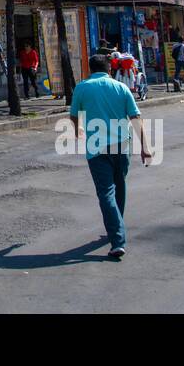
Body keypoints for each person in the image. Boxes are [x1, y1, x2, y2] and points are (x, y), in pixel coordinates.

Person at [70, 53, 151, 260]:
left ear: (90, 69)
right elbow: (135, 117)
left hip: (96, 149)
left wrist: (77, 129)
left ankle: (117, 239)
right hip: (121, 146)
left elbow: (73, 114)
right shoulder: (121, 87)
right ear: (109, 69)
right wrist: (145, 147)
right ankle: (117, 227)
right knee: (119, 186)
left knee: (106, 193)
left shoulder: (82, 87)